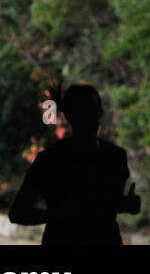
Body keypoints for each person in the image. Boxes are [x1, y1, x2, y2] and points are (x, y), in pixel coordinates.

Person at [9, 83, 140, 246]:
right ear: (100, 113)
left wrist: (58, 216)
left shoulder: (50, 159)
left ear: (68, 116)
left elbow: (18, 213)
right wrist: (126, 206)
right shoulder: (114, 157)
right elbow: (101, 206)